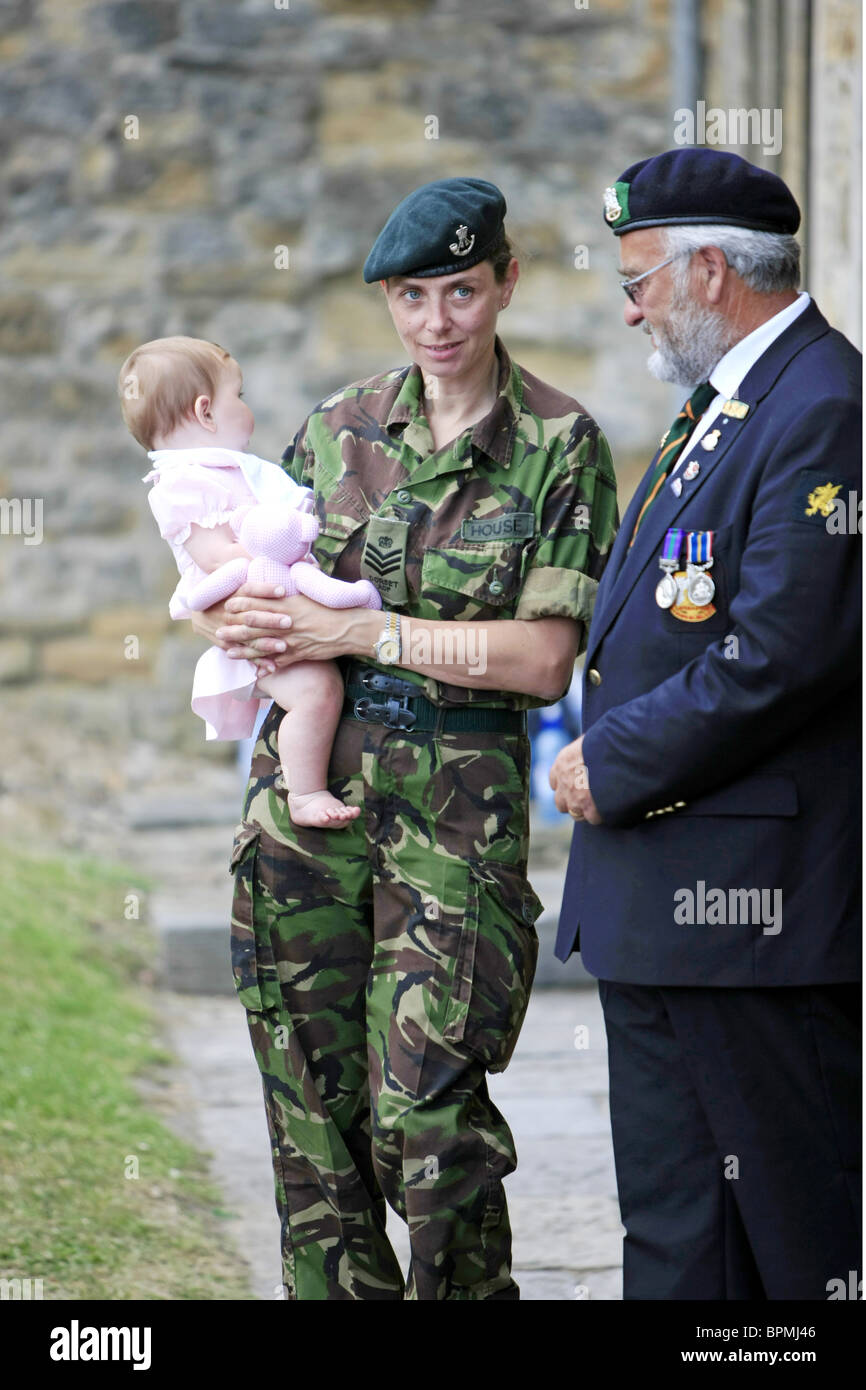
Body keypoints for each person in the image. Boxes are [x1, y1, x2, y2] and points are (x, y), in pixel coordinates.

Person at [191, 176, 618, 1299]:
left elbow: (540, 658)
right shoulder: (334, 431)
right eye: (413, 295)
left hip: (454, 821)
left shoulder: (558, 446)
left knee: (424, 1121)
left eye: (462, 291)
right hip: (303, 806)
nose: (437, 321)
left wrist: (364, 629)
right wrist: (240, 611)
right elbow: (255, 579)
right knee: (312, 1130)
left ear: (505, 284)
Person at [551, 149, 861, 1300]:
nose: (628, 304)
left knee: (791, 1244)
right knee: (680, 1240)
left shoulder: (824, 406)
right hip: (666, 911)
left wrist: (611, 757)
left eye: (636, 279)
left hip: (754, 915)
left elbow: (785, 650)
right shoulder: (725, 405)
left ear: (711, 270)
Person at [119, 336, 380, 828]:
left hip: (282, 597)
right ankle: (305, 794)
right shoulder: (180, 485)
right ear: (206, 412)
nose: (246, 407)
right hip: (255, 625)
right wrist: (281, 541)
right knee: (317, 690)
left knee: (328, 678)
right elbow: (217, 557)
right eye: (238, 395)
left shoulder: (233, 470)